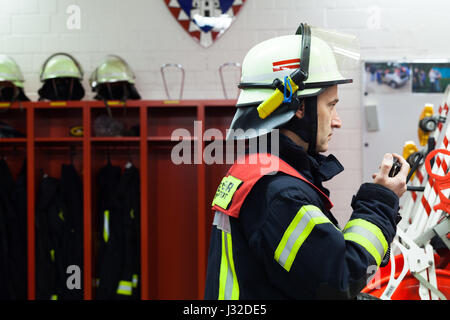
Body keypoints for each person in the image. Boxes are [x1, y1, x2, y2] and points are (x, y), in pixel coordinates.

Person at [204, 23, 410, 300]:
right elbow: (339, 281)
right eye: (331, 105)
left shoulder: (258, 172)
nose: (337, 121)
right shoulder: (281, 194)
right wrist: (381, 202)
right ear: (299, 107)